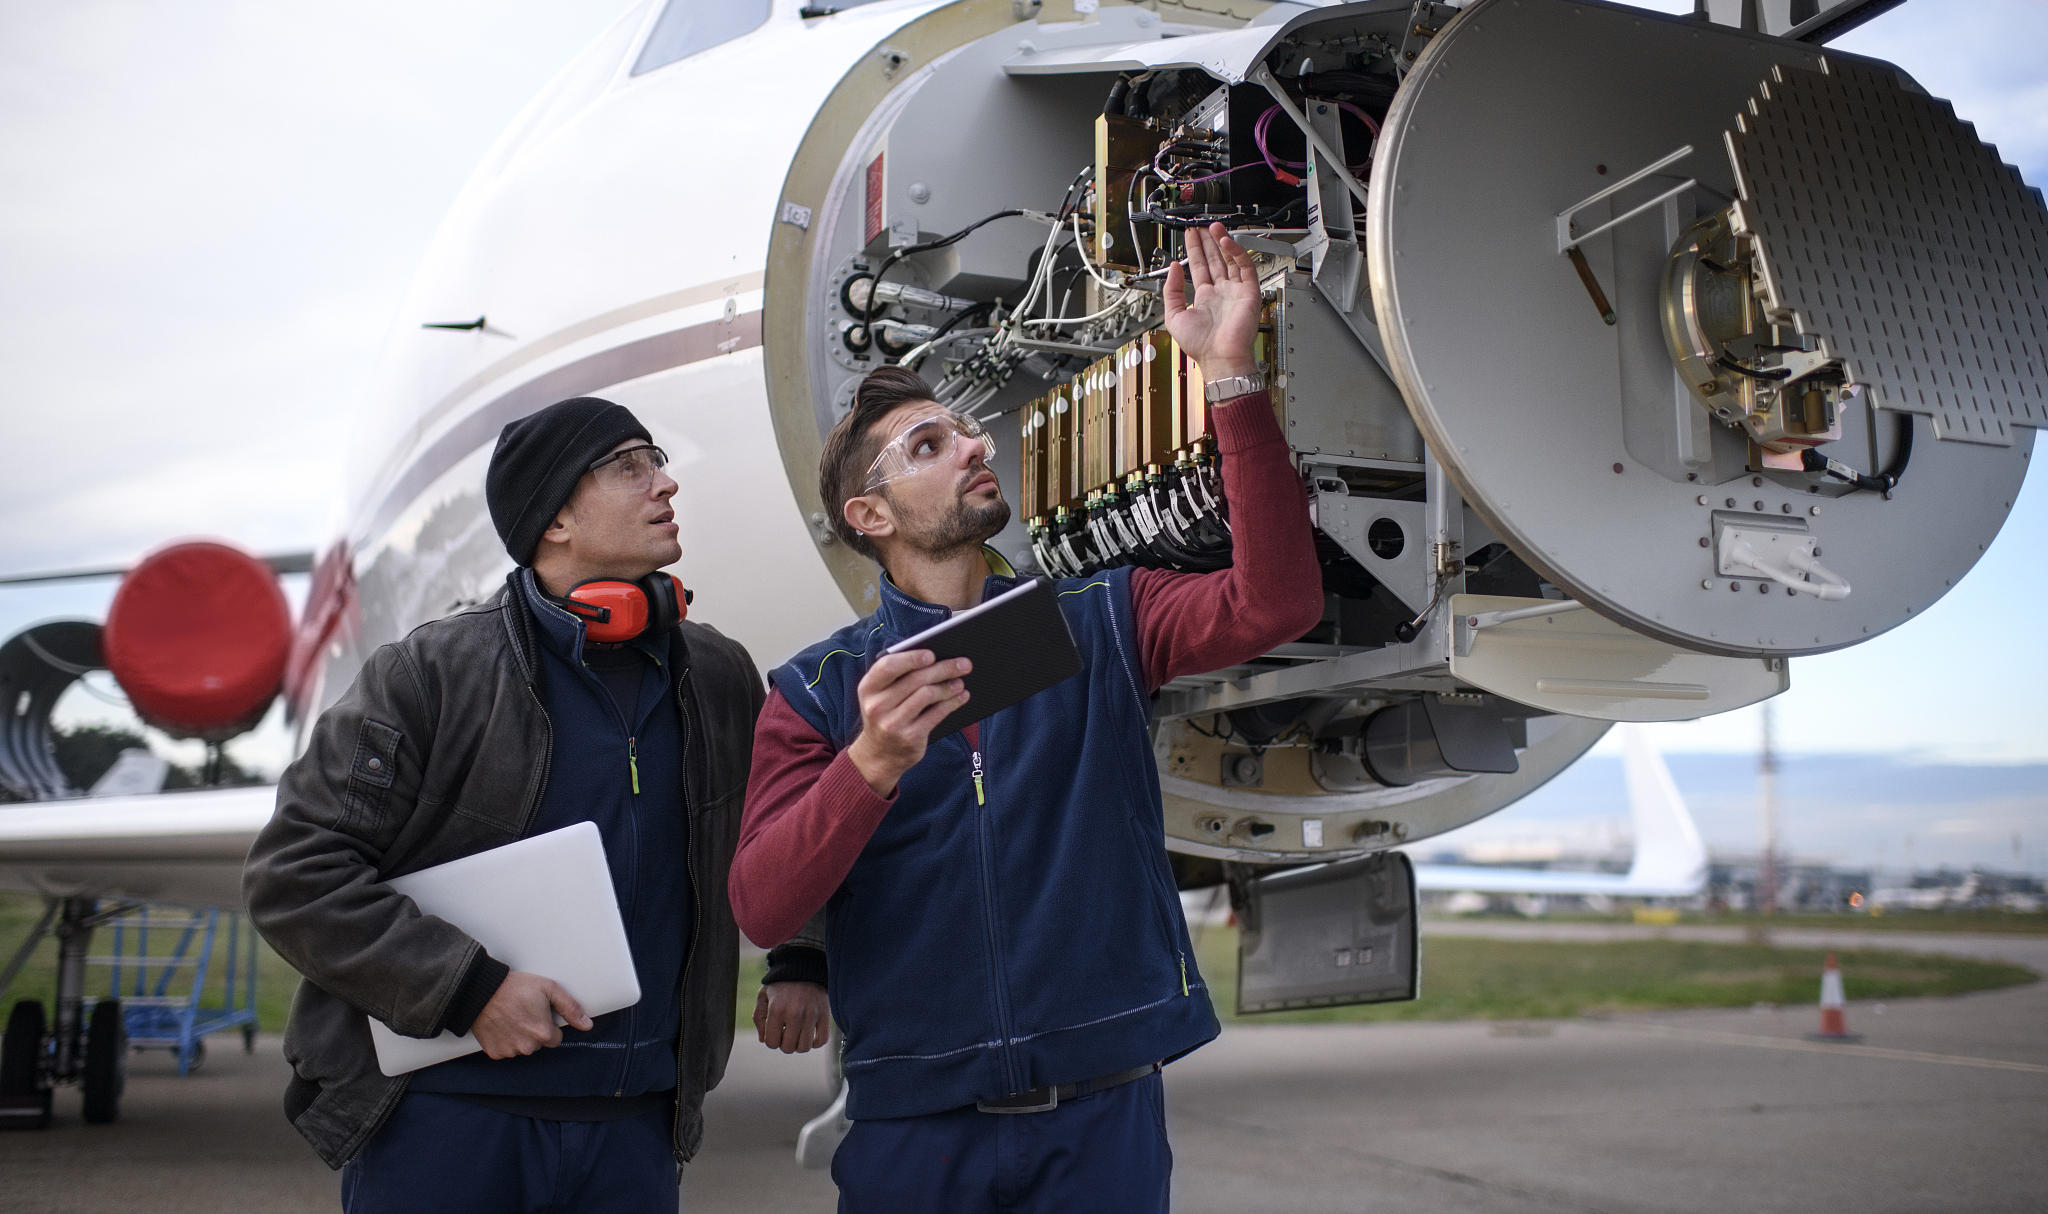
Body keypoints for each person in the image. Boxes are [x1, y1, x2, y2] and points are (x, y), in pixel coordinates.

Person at [728, 225, 1326, 1212]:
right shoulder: (818, 691)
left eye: (964, 430)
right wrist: (870, 762)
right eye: (928, 446)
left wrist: (1230, 379)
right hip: (912, 1128)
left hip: (1102, 1117)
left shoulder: (1099, 617)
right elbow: (763, 904)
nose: (970, 444)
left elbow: (1275, 605)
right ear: (868, 517)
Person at [244, 395, 829, 1212]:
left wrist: (801, 952)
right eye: (631, 466)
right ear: (553, 517)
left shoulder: (718, 673)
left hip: (636, 1133)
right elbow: (293, 873)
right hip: (444, 1126)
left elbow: (784, 819)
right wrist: (470, 988)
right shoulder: (429, 674)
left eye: (655, 460)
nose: (666, 484)